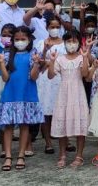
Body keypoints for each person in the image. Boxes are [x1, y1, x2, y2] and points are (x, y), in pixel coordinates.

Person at [0, 25, 44, 171]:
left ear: (29, 40)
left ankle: (21, 155)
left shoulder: (33, 54)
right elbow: (5, 77)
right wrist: (1, 63)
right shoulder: (8, 55)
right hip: (10, 95)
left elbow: (33, 77)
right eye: (17, 39)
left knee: (24, 125)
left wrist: (37, 63)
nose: (20, 41)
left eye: (23, 39)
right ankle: (8, 156)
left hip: (26, 94)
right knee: (7, 126)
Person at [48, 29, 89, 169]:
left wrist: (84, 57)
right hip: (63, 94)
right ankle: (62, 155)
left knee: (80, 125)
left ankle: (79, 155)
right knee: (62, 124)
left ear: (79, 43)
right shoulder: (59, 58)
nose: (71, 44)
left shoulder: (82, 57)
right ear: (64, 43)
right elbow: (50, 75)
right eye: (69, 41)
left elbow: (85, 74)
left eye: (74, 41)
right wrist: (51, 61)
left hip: (78, 92)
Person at [34, 15, 66, 155]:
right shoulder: (41, 43)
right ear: (47, 28)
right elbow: (37, 61)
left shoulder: (65, 43)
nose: (55, 29)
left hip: (60, 79)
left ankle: (65, 140)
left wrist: (50, 63)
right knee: (46, 112)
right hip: (44, 81)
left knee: (61, 110)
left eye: (57, 27)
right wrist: (45, 51)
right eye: (52, 27)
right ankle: (48, 142)